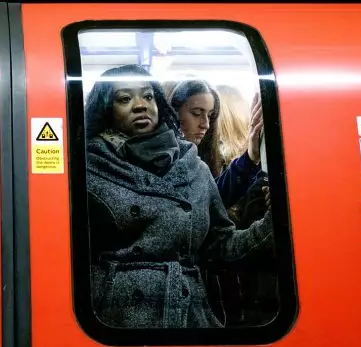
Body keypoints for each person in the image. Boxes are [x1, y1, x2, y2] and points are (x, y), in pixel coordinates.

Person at [84, 64, 273, 329]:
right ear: (106, 110)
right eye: (125, 98)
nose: (140, 105)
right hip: (115, 324)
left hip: (188, 316)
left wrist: (273, 224)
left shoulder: (192, 166)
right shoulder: (87, 170)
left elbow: (220, 246)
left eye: (148, 96)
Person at [170, 79, 264, 209]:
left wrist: (250, 158)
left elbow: (211, 199)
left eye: (210, 116)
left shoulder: (200, 162)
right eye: (196, 113)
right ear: (174, 113)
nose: (206, 125)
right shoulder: (165, 160)